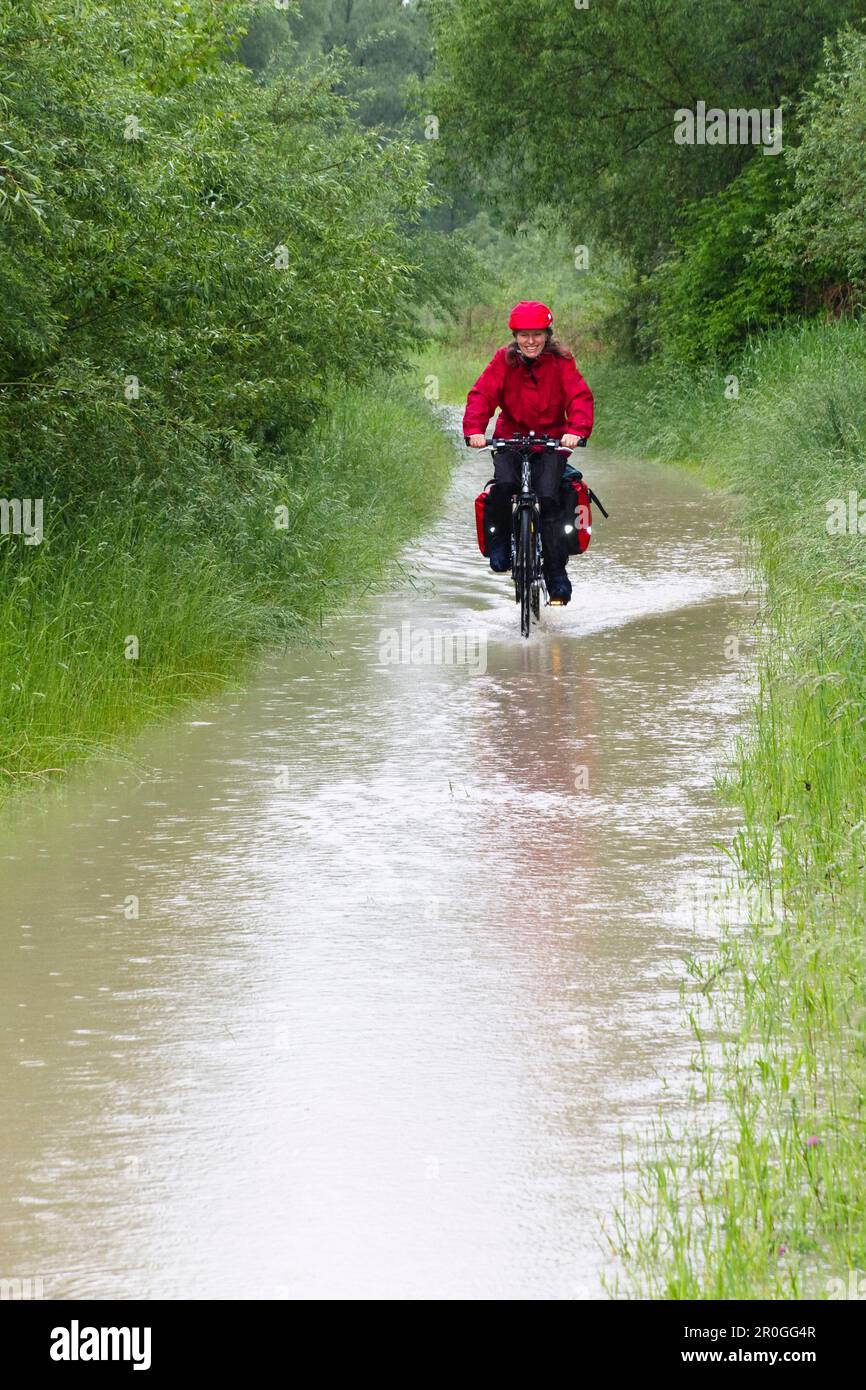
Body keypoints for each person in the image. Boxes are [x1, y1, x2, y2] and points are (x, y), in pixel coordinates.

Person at [463, 300, 594, 604]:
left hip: (551, 441)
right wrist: (474, 430)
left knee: (550, 499)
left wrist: (576, 430)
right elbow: (482, 394)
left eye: (537, 334)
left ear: (547, 334)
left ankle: (557, 574)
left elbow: (579, 397)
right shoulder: (503, 361)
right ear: (515, 336)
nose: (530, 341)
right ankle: (499, 546)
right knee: (503, 486)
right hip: (510, 438)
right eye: (524, 335)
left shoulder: (562, 362)